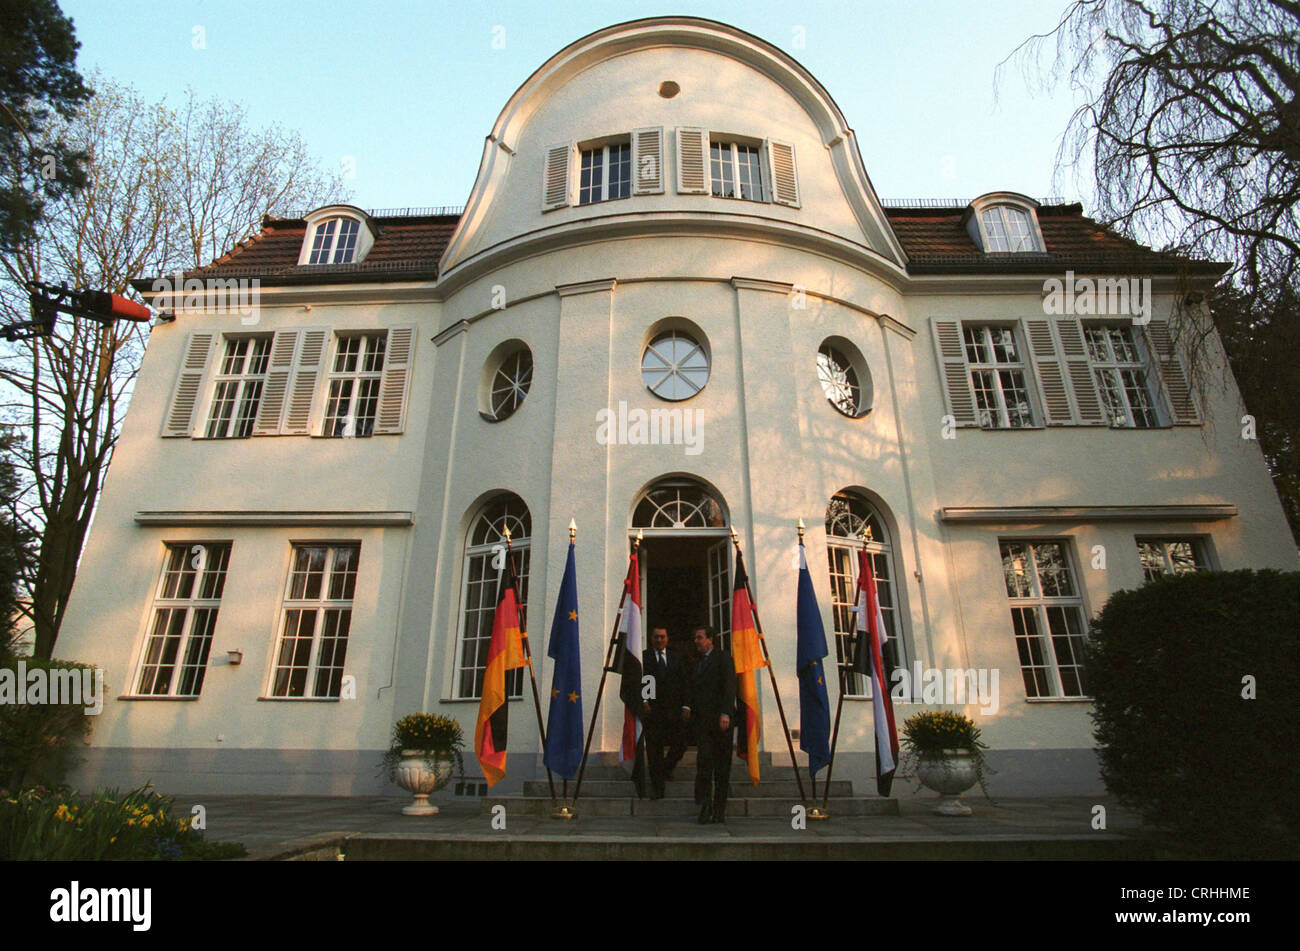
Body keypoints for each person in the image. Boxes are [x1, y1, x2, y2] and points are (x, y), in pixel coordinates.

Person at [685, 625, 735, 824]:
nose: (696, 641)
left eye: (699, 638)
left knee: (722, 768)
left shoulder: (723, 658)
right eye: (695, 638)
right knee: (704, 764)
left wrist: (726, 712)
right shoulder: (696, 662)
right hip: (703, 723)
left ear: (710, 639)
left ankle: (719, 810)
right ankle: (705, 806)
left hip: (721, 722)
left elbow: (729, 686)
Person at [641, 626, 687, 799]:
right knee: (654, 751)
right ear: (651, 639)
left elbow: (685, 681)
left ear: (667, 639)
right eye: (656, 637)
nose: (659, 640)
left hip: (674, 710)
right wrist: (645, 700)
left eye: (662, 637)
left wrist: (686, 705)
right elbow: (644, 678)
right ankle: (657, 789)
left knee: (680, 744)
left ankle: (666, 768)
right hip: (653, 711)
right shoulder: (644, 657)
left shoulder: (676, 657)